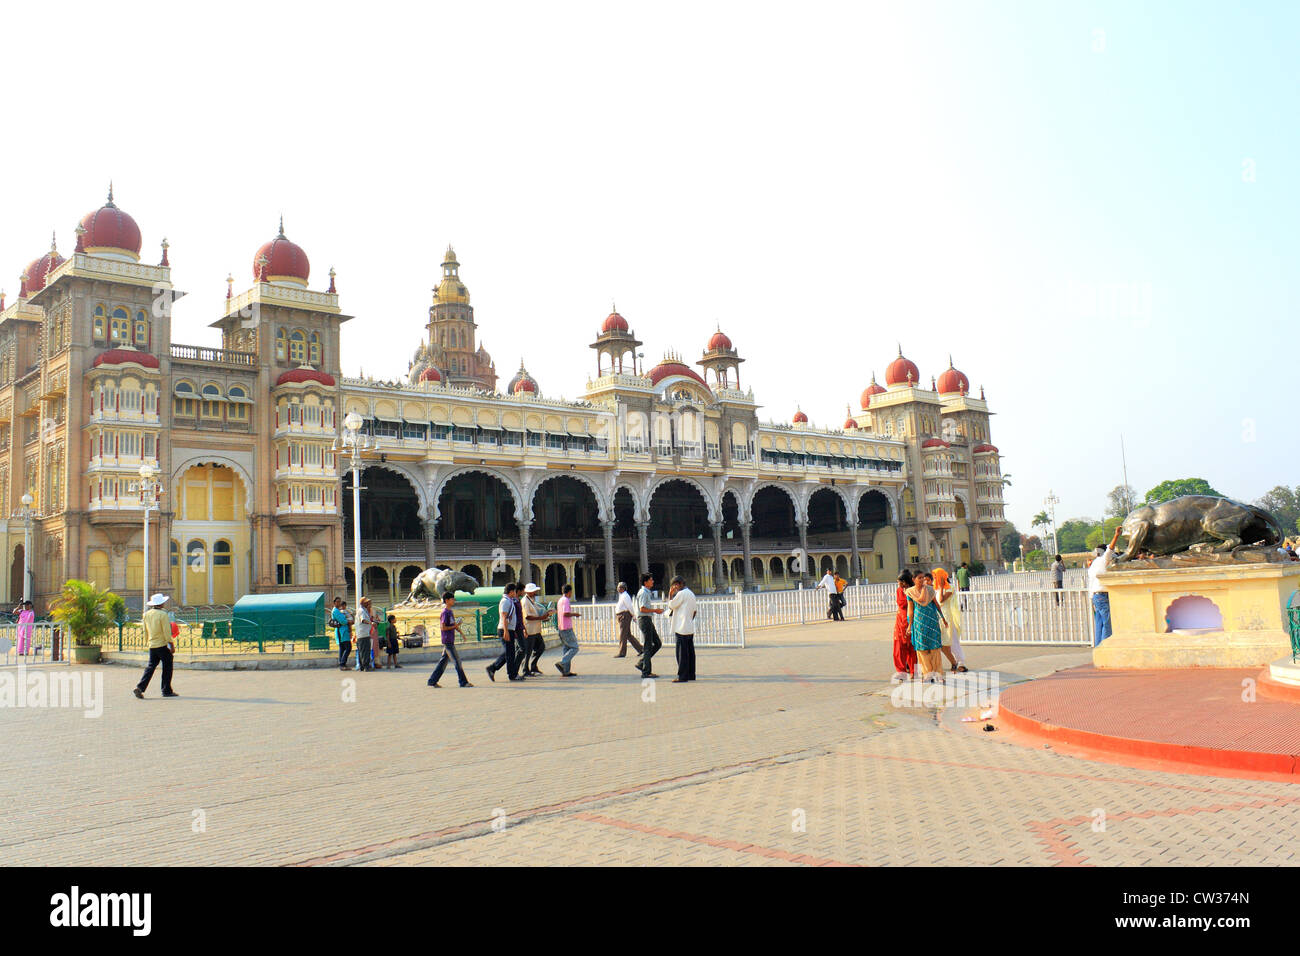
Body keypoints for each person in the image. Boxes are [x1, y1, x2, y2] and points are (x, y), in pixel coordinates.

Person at [133, 593, 178, 699]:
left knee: (151, 666)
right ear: (161, 603)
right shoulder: (163, 614)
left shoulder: (146, 614)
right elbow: (166, 632)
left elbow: (145, 631)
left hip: (152, 644)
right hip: (162, 644)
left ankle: (140, 687)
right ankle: (166, 690)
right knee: (167, 666)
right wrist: (171, 645)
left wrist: (148, 642)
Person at [905, 571, 947, 683]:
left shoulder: (930, 590)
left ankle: (938, 674)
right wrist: (909, 625)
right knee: (922, 649)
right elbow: (910, 610)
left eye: (923, 578)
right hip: (919, 623)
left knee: (935, 648)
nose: (922, 580)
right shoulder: (910, 592)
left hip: (932, 621)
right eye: (919, 578)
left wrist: (943, 618)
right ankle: (927, 674)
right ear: (913, 579)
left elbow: (936, 604)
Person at [428, 591, 473, 687]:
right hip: (447, 640)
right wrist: (455, 626)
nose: (453, 601)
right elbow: (443, 627)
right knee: (457, 661)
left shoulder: (450, 612)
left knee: (443, 662)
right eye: (452, 599)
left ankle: (432, 681)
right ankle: (463, 682)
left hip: (449, 640)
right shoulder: (445, 613)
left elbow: (453, 624)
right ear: (447, 600)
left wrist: (461, 633)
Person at [1088, 526, 1123, 646]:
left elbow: (1091, 582)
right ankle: (1104, 647)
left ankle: (1098, 647)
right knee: (1107, 624)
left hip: (1095, 596)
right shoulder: (1104, 559)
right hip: (1103, 595)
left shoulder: (1094, 563)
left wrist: (1091, 598)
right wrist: (1116, 535)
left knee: (1099, 624)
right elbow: (1110, 549)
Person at [932, 567, 967, 673]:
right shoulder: (935, 589)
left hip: (948, 618)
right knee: (942, 643)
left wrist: (942, 586)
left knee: (953, 641)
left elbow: (941, 600)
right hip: (939, 617)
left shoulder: (949, 588)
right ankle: (952, 662)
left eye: (936, 577)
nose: (934, 579)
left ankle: (961, 662)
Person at [486, 583, 523, 681]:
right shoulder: (505, 601)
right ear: (511, 592)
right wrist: (506, 631)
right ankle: (511, 674)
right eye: (514, 591)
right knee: (510, 653)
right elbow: (504, 616)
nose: (515, 593)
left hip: (509, 629)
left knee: (509, 652)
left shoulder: (509, 600)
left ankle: (493, 668)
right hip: (505, 629)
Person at [666, 575, 698, 683]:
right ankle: (691, 674)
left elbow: (671, 605)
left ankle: (683, 676)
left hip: (681, 627)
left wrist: (670, 594)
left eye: (675, 585)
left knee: (681, 654)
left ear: (680, 584)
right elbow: (694, 611)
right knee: (690, 653)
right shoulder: (691, 593)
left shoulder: (681, 593)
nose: (674, 587)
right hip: (689, 627)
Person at [636, 572, 664, 678]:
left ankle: (642, 663)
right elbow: (642, 608)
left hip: (647, 619)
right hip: (644, 619)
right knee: (648, 645)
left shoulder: (646, 592)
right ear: (645, 582)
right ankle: (646, 671)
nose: (652, 581)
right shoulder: (643, 593)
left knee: (657, 643)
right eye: (651, 580)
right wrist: (655, 610)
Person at [891, 570, 916, 683]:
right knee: (899, 646)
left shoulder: (914, 590)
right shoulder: (899, 590)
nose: (899, 584)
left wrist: (908, 595)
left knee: (912, 647)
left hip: (911, 619)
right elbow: (901, 603)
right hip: (900, 621)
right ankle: (901, 671)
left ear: (905, 582)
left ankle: (914, 671)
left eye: (900, 582)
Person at [522, 583, 551, 676]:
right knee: (528, 651)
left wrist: (544, 616)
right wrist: (541, 618)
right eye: (533, 591)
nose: (534, 593)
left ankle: (533, 666)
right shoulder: (525, 601)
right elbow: (527, 617)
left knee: (541, 647)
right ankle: (525, 669)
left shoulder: (531, 600)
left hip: (536, 630)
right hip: (530, 630)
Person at [555, 583, 581, 676]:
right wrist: (575, 614)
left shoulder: (560, 600)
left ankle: (566, 671)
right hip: (566, 628)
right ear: (569, 592)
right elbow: (565, 613)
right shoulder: (566, 600)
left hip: (561, 627)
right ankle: (563, 662)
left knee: (567, 648)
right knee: (575, 647)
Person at [613, 582, 643, 659]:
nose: (619, 589)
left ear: (624, 588)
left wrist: (633, 615)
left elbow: (630, 607)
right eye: (618, 587)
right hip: (622, 615)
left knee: (623, 634)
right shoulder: (622, 596)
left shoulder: (625, 596)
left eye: (620, 587)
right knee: (628, 635)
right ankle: (641, 649)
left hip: (624, 616)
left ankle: (622, 652)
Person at [355, 597, 376, 672]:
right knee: (365, 651)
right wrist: (371, 623)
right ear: (363, 603)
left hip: (364, 633)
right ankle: (366, 666)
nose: (369, 604)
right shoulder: (361, 611)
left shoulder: (364, 610)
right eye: (367, 603)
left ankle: (362, 666)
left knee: (362, 650)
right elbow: (363, 620)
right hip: (363, 633)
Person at [331, 598, 352, 670]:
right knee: (348, 647)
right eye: (337, 602)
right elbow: (343, 621)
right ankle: (342, 663)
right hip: (341, 632)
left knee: (342, 648)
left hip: (343, 631)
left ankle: (342, 664)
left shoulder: (338, 610)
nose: (339, 603)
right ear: (334, 603)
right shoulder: (336, 611)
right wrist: (348, 621)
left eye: (339, 602)